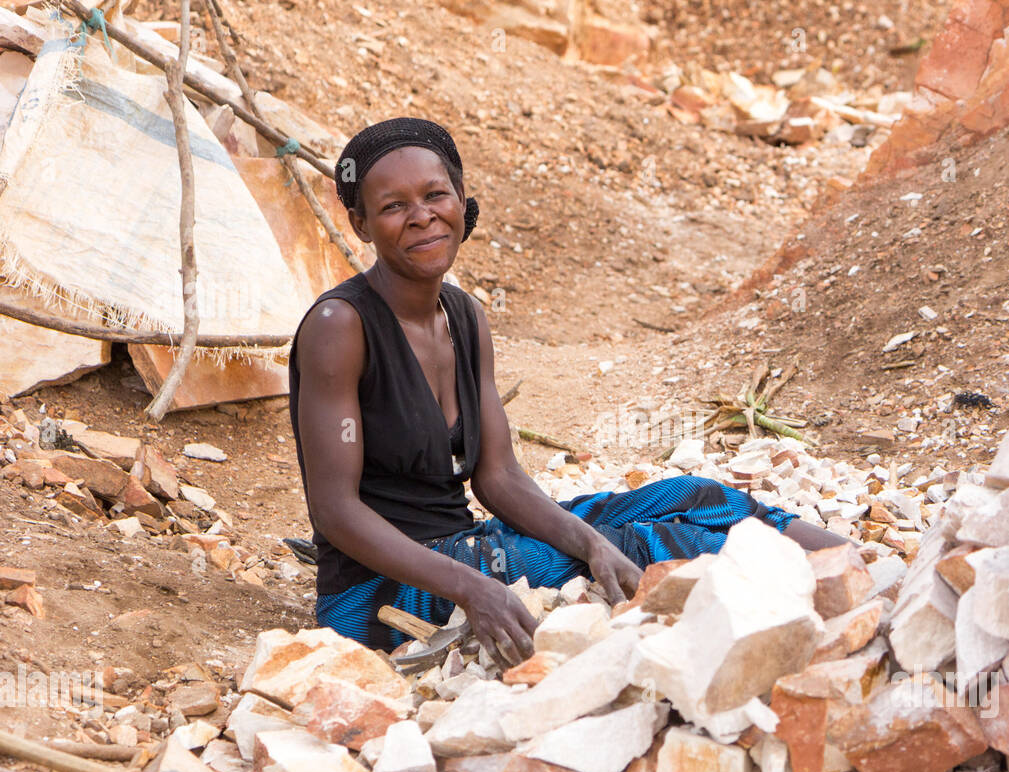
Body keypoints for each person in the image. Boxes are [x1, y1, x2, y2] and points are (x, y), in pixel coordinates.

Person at [288, 118, 850, 668]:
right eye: (393, 206)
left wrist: (588, 543)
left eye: (436, 194)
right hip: (377, 593)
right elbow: (335, 511)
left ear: (461, 199)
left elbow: (499, 477)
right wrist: (473, 587)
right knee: (645, 545)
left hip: (464, 545)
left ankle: (851, 566)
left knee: (691, 495)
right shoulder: (341, 325)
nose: (421, 217)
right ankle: (810, 593)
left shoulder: (463, 316)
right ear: (361, 223)